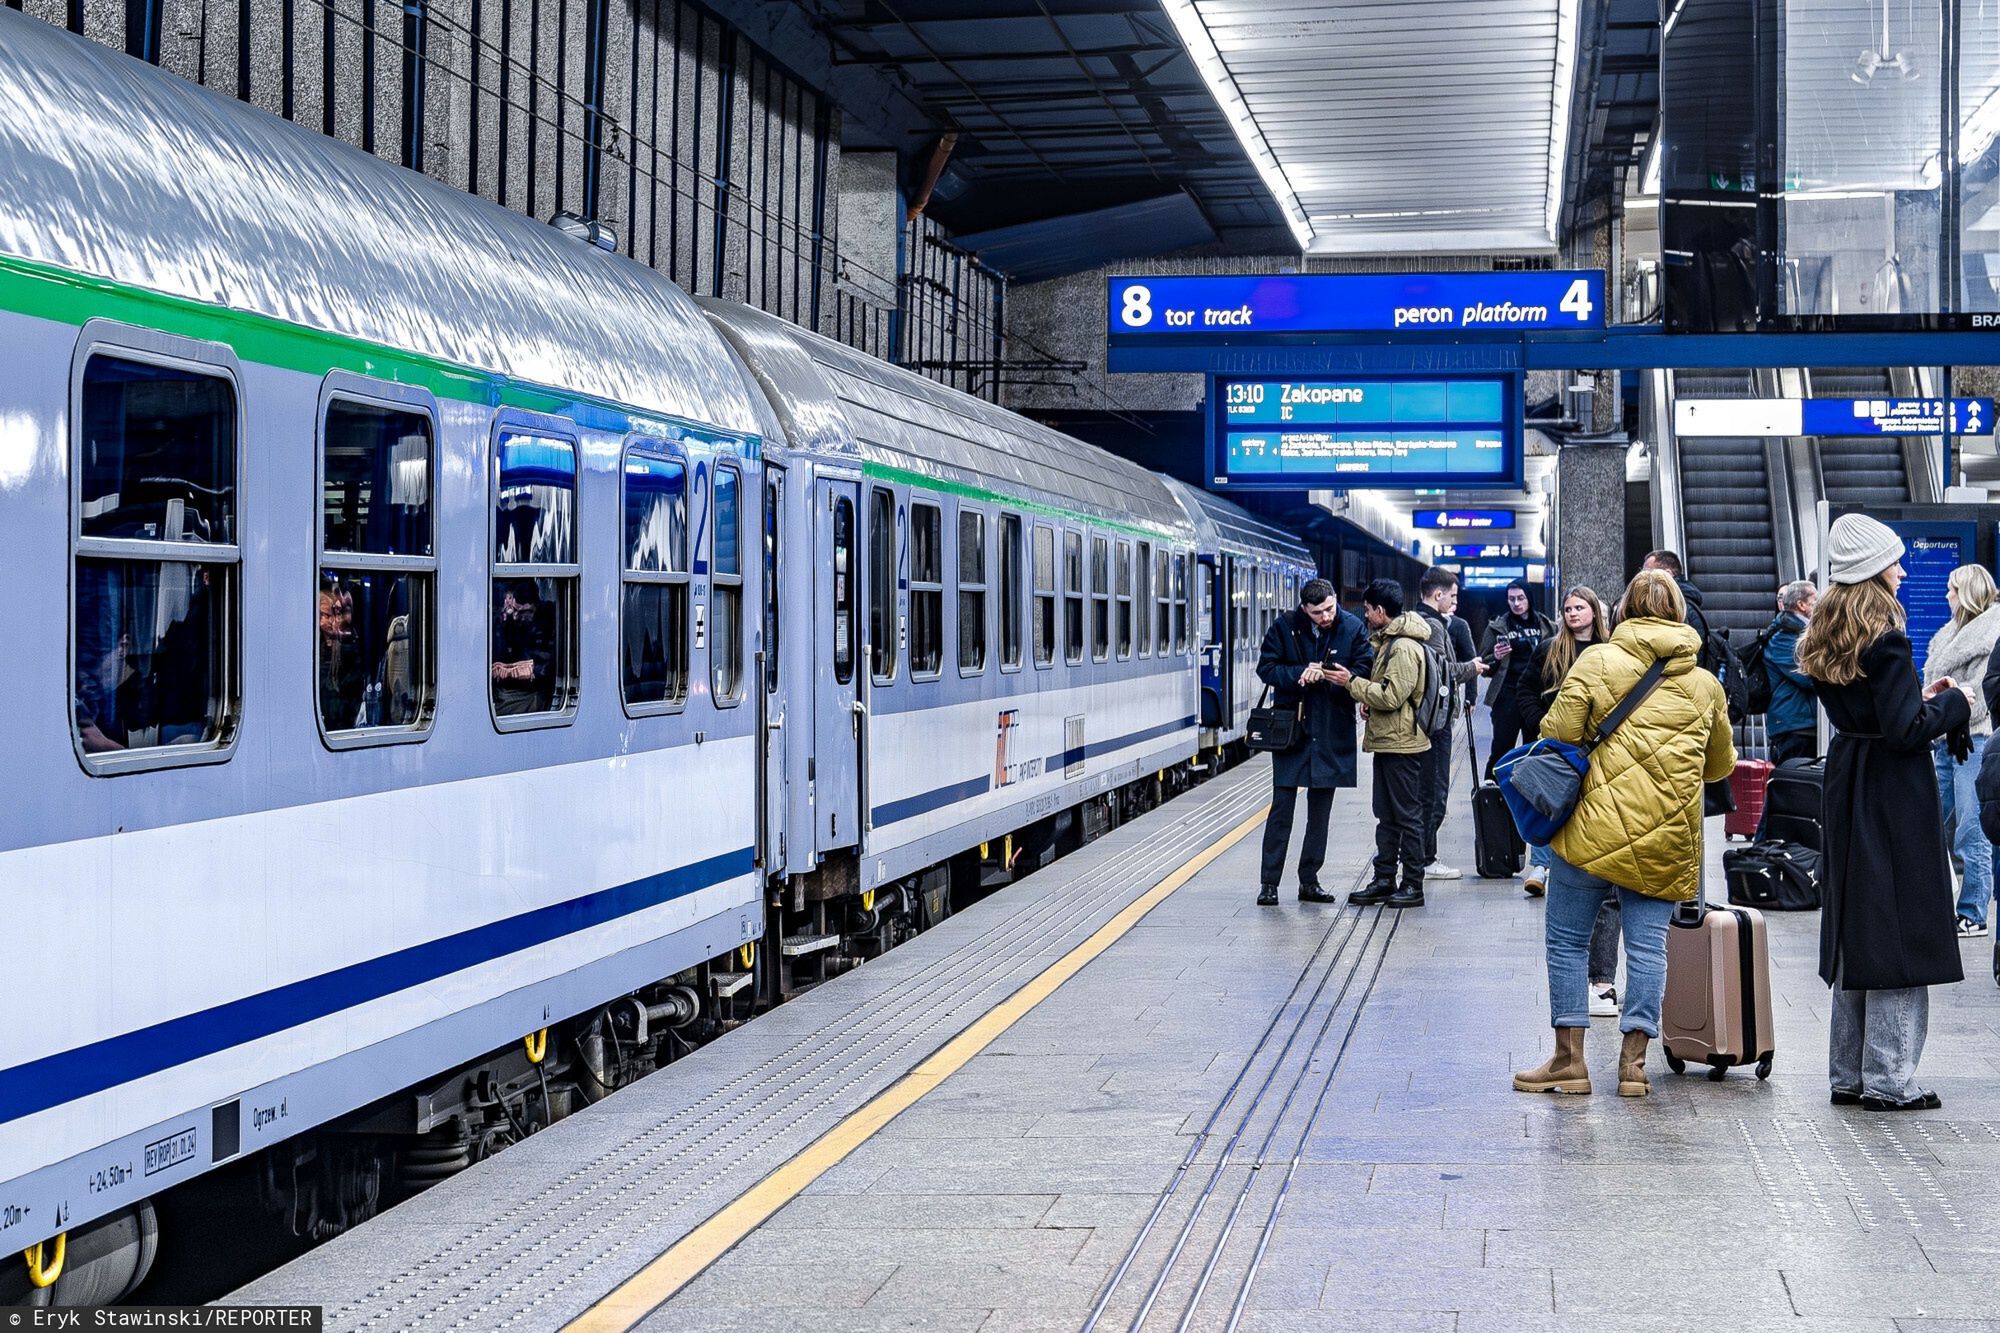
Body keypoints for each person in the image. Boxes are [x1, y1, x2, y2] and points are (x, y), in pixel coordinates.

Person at [1514, 570, 1735, 1098]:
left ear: (1623, 612)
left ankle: (1570, 1063)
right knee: (1648, 951)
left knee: (1568, 941)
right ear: (1679, 614)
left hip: (1593, 830)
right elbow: (1720, 766)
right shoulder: (1705, 684)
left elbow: (1555, 736)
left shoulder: (1597, 661)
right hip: (1666, 839)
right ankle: (1633, 1066)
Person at [1798, 514, 1974, 1111]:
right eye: (1894, 562)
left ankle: (1848, 1074)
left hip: (1849, 776)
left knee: (1857, 922)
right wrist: (1954, 703)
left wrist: (1920, 699)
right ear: (1874, 570)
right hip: (1893, 792)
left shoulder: (1828, 635)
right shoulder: (1888, 638)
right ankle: (1889, 1079)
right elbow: (1904, 732)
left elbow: (1873, 714)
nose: (1902, 570)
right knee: (1901, 923)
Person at [1254, 578, 1373, 907]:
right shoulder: (1284, 627)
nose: (1326, 616)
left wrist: (1341, 677)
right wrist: (1298, 673)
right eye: (1318, 612)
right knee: (1281, 810)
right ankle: (1269, 883)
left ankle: (1310, 880)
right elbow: (1266, 668)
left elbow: (1366, 665)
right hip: (1293, 731)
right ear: (1304, 609)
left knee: (1320, 813)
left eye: (1330, 608)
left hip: (1331, 728)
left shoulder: (1352, 627)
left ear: (1336, 599)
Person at [1328, 580, 1433, 909]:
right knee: (1386, 814)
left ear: (1381, 611)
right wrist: (1368, 697)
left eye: (1369, 609)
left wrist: (1352, 684)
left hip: (1403, 744)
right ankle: (1385, 879)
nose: (1366, 614)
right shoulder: (1390, 642)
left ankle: (1412, 884)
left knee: (1407, 815)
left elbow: (1392, 696)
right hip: (1390, 741)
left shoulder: (1402, 647)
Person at [1923, 565, 2000, 938]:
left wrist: (1949, 697)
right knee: (1927, 819)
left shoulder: (1990, 632)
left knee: (1972, 828)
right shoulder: (1948, 633)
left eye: (1951, 589)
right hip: (1945, 738)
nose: (1947, 596)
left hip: (1975, 740)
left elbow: (1983, 697)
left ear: (1967, 592)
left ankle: (1973, 911)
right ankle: (1932, 902)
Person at [1412, 567, 1488, 881]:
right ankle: (1426, 859)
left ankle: (1418, 856)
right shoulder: (1434, 626)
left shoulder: (1415, 620)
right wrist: (1472, 668)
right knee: (1435, 793)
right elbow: (1443, 673)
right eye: (1452, 596)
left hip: (1422, 719)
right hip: (1435, 722)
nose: (1454, 602)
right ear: (1439, 594)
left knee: (1423, 790)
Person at [1478, 579, 1555, 777]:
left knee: (1534, 749)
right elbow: (1484, 666)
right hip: (1507, 695)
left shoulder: (1546, 625)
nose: (1516, 603)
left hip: (1537, 695)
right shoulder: (1497, 627)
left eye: (1521, 598)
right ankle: (1491, 794)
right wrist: (1495, 657)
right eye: (1511, 599)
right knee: (1502, 749)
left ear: (1529, 598)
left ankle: (1529, 794)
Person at [1766, 580, 1820, 765]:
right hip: (1794, 726)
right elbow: (1808, 677)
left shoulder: (1804, 633)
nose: (1819, 605)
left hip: (1807, 725)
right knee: (1794, 787)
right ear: (1801, 604)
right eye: (1815, 600)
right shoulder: (1782, 638)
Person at [493, 580, 555, 716]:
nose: (516, 616)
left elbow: (547, 669)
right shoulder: (512, 625)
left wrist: (511, 671)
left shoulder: (548, 624)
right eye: (514, 610)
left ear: (534, 606)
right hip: (513, 690)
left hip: (536, 692)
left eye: (522, 612)